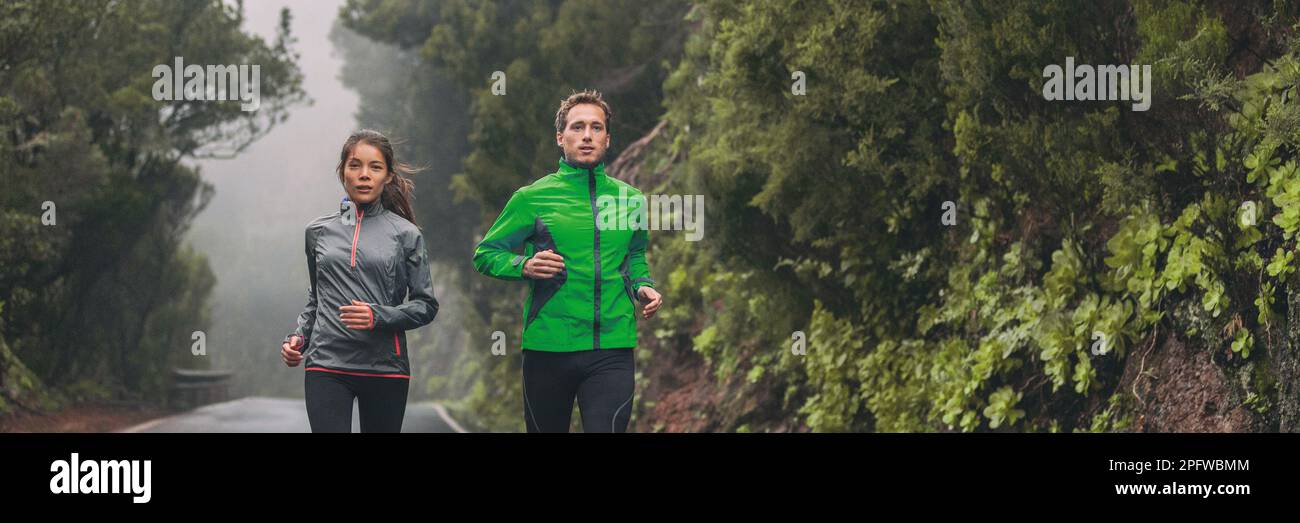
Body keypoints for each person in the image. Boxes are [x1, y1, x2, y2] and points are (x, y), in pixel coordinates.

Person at [473, 90, 662, 433]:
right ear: (560, 137)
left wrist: (643, 285)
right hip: (549, 347)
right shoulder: (532, 198)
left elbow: (634, 254)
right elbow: (486, 254)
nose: (587, 135)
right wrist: (523, 266)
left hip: (612, 347)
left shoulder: (631, 200)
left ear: (608, 138)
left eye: (596, 127)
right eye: (577, 127)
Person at [281, 129, 439, 433]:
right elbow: (316, 299)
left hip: (385, 369)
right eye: (355, 165)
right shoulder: (317, 232)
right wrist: (298, 340)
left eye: (375, 167)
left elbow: (426, 305)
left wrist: (377, 316)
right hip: (326, 364)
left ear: (388, 176)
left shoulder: (407, 235)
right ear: (343, 172)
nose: (364, 175)